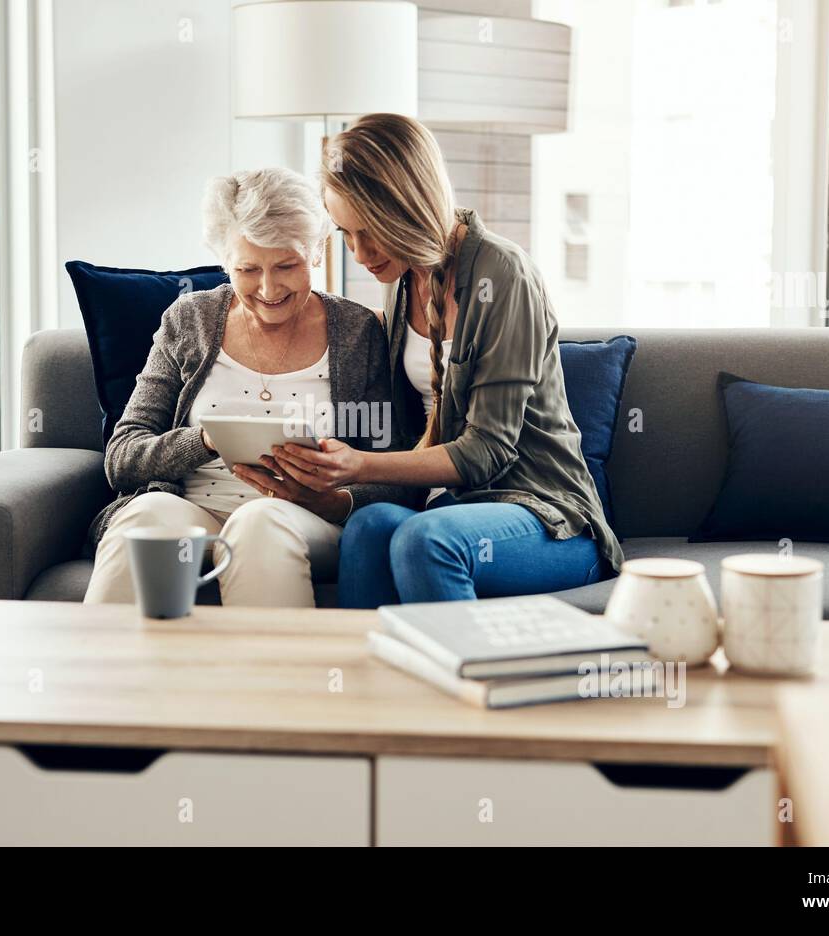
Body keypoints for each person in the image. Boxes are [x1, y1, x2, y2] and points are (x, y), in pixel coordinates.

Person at [266, 114, 623, 607]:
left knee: (426, 539)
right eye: (346, 234)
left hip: (549, 518)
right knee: (369, 526)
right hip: (453, 509)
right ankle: (362, 683)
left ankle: (464, 682)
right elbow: (409, 429)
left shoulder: (503, 274)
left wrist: (358, 466)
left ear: (408, 207)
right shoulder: (403, 284)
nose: (360, 253)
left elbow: (487, 452)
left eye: (371, 231)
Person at [84, 168, 402, 608]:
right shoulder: (189, 320)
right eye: (248, 269)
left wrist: (332, 499)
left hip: (301, 520)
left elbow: (393, 470)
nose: (269, 289)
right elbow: (123, 458)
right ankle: (105, 675)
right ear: (224, 262)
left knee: (259, 523)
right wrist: (206, 440)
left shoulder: (357, 332)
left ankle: (270, 678)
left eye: (286, 265)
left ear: (315, 252)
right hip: (191, 508)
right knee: (147, 518)